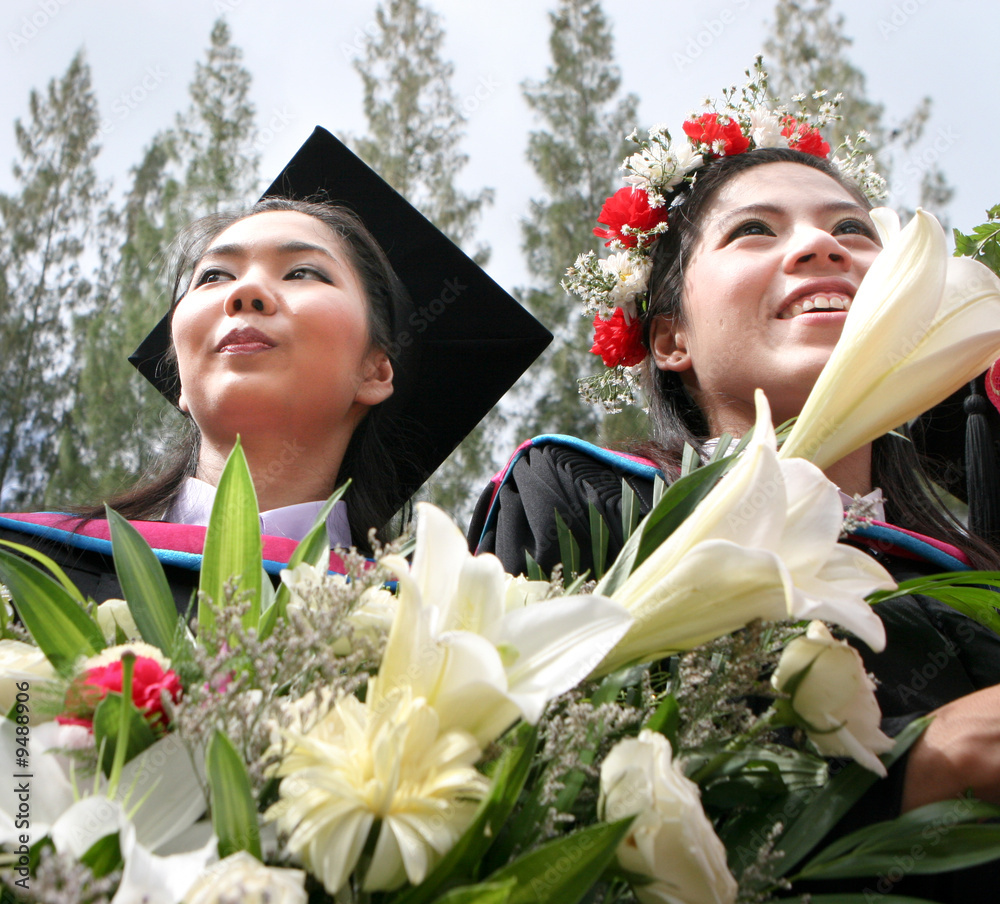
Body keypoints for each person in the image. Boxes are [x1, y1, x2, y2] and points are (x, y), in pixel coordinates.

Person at [469, 81, 1000, 898]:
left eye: (852, 230)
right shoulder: (582, 499)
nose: (822, 248)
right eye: (755, 230)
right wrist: (918, 769)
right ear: (670, 337)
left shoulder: (971, 581)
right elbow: (520, 792)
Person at [0, 127, 551, 607]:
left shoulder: (429, 621)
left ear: (376, 371)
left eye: (303, 273)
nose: (246, 293)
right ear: (181, 387)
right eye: (214, 276)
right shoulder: (28, 567)